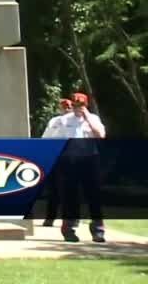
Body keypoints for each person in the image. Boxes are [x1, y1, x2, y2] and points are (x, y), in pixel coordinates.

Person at [57, 92, 107, 243]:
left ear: (86, 105)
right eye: (76, 105)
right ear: (72, 104)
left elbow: (101, 135)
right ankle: (69, 230)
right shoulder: (64, 120)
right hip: (70, 160)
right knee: (71, 196)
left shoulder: (93, 119)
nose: (78, 108)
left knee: (94, 196)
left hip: (90, 159)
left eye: (81, 105)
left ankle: (98, 230)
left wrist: (87, 117)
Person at [39, 98, 73, 226]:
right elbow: (45, 138)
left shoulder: (75, 121)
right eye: (64, 107)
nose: (66, 109)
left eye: (68, 106)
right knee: (53, 190)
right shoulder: (54, 121)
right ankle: (50, 218)